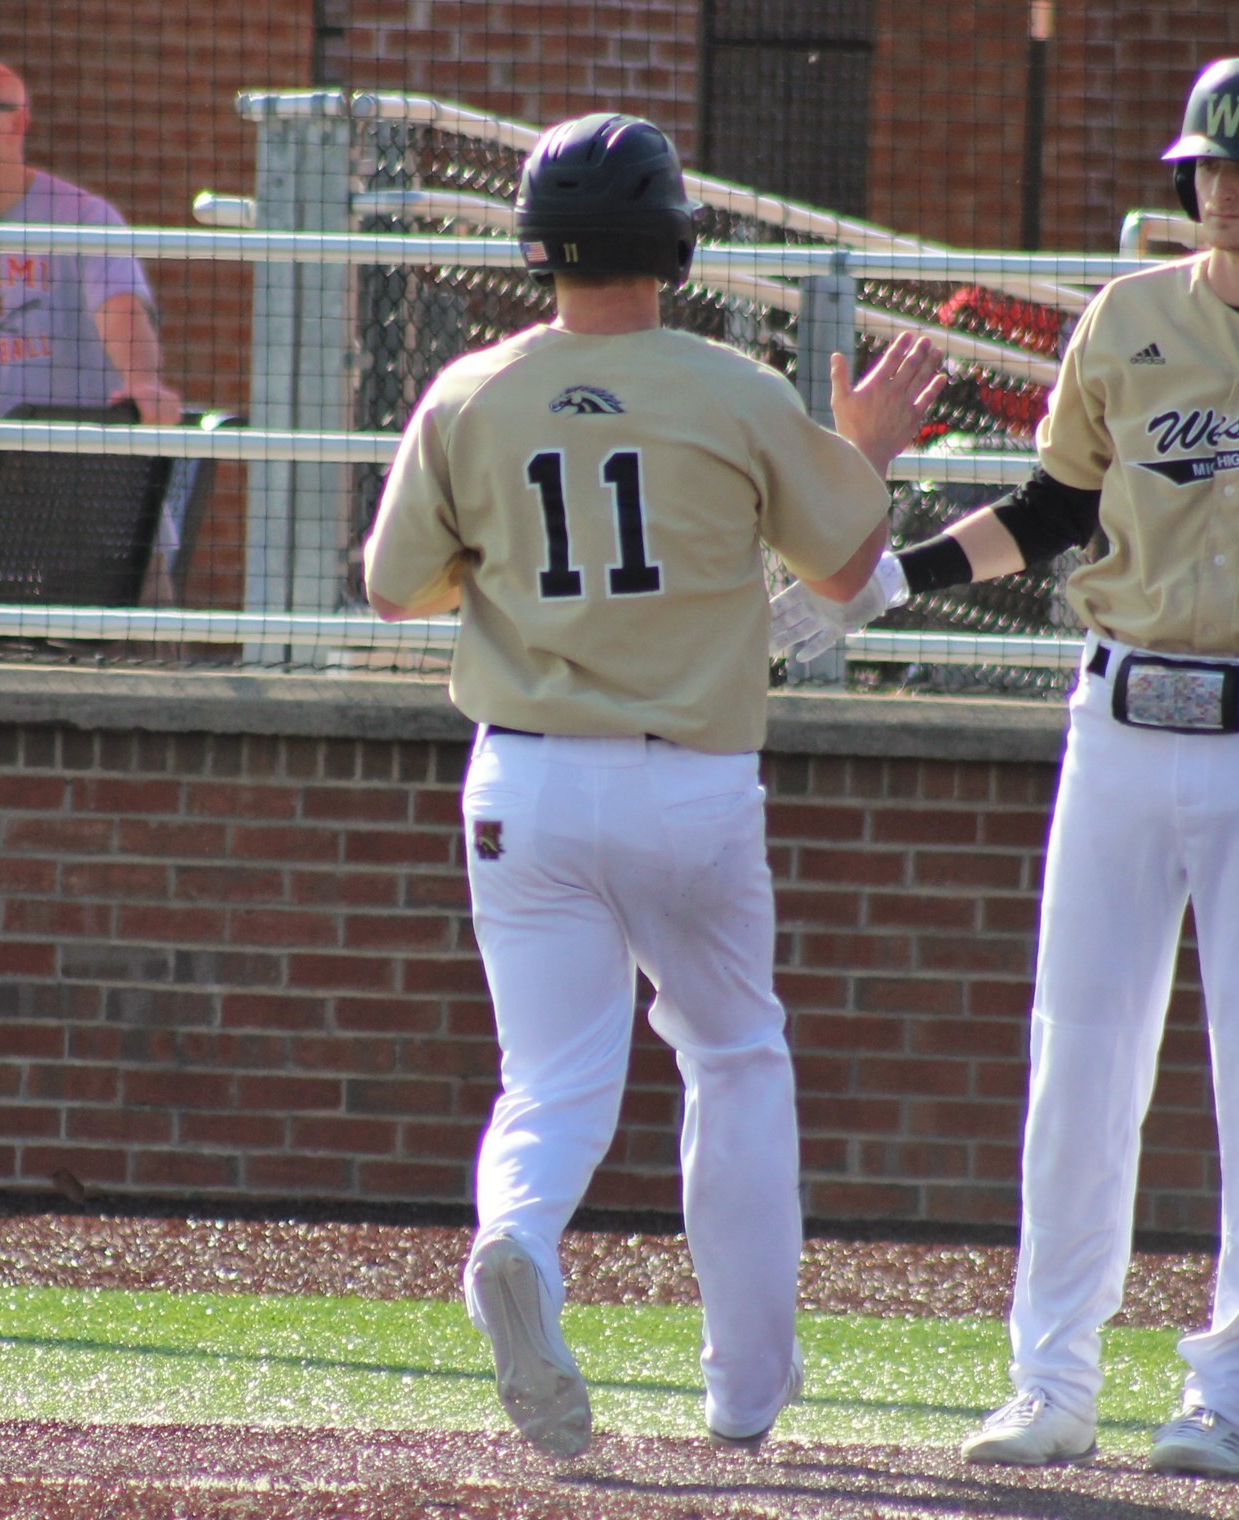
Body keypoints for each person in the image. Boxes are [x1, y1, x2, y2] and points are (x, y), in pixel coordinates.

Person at [773, 54, 1239, 1478]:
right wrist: (897, 575)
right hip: (1118, 726)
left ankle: (1229, 1392)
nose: (1224, 187)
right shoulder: (1129, 319)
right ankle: (1051, 1382)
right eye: (1207, 166)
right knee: (1078, 1066)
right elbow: (1051, 509)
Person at [363, 113, 943, 1457]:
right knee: (733, 1060)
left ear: (535, 242)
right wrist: (867, 453)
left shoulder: (468, 390)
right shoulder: (731, 388)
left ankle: (514, 1240)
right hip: (689, 784)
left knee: (551, 1081)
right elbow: (849, 577)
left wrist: (500, 564)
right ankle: (744, 1392)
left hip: (524, 784)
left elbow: (396, 591)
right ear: (672, 240)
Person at [0, 56, 182, 557]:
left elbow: (121, 307)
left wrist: (141, 381)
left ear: (17, 121)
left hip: (96, 482)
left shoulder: (81, 218)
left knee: (145, 628)